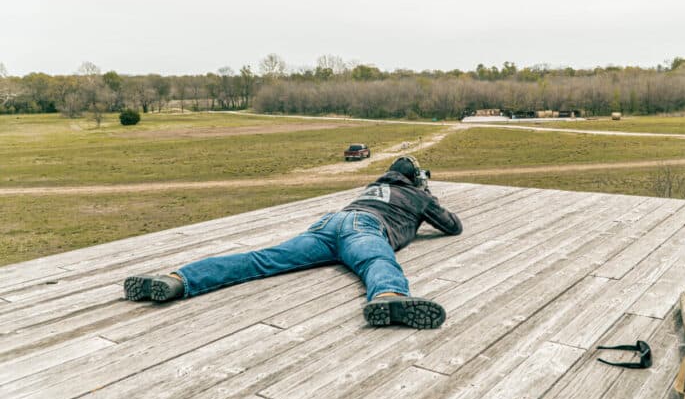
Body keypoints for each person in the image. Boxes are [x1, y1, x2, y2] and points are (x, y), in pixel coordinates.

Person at [124, 155, 463, 329]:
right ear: (415, 180)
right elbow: (453, 227)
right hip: (365, 226)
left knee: (258, 260)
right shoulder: (417, 195)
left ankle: (177, 280)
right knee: (377, 262)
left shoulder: (376, 185)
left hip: (329, 223)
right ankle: (389, 297)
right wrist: (427, 195)